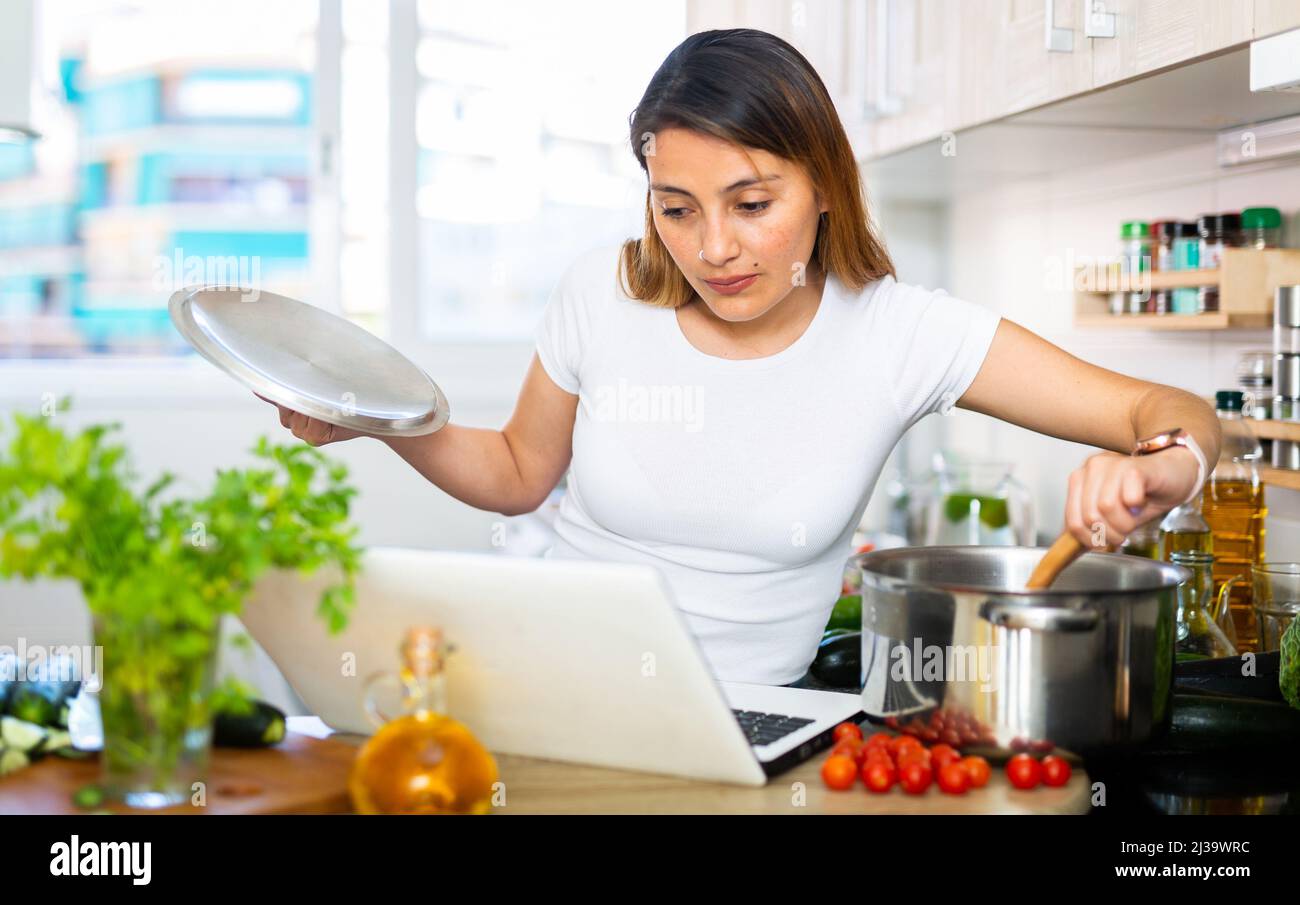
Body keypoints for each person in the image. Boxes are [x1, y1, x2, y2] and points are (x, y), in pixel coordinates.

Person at [262, 29, 1220, 687]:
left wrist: (1167, 463)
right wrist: (378, 418)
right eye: (676, 207)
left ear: (826, 187)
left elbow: (1171, 410)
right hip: (547, 676)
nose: (712, 246)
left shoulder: (899, 334)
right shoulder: (601, 291)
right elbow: (517, 473)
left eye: (751, 204)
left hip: (762, 723)